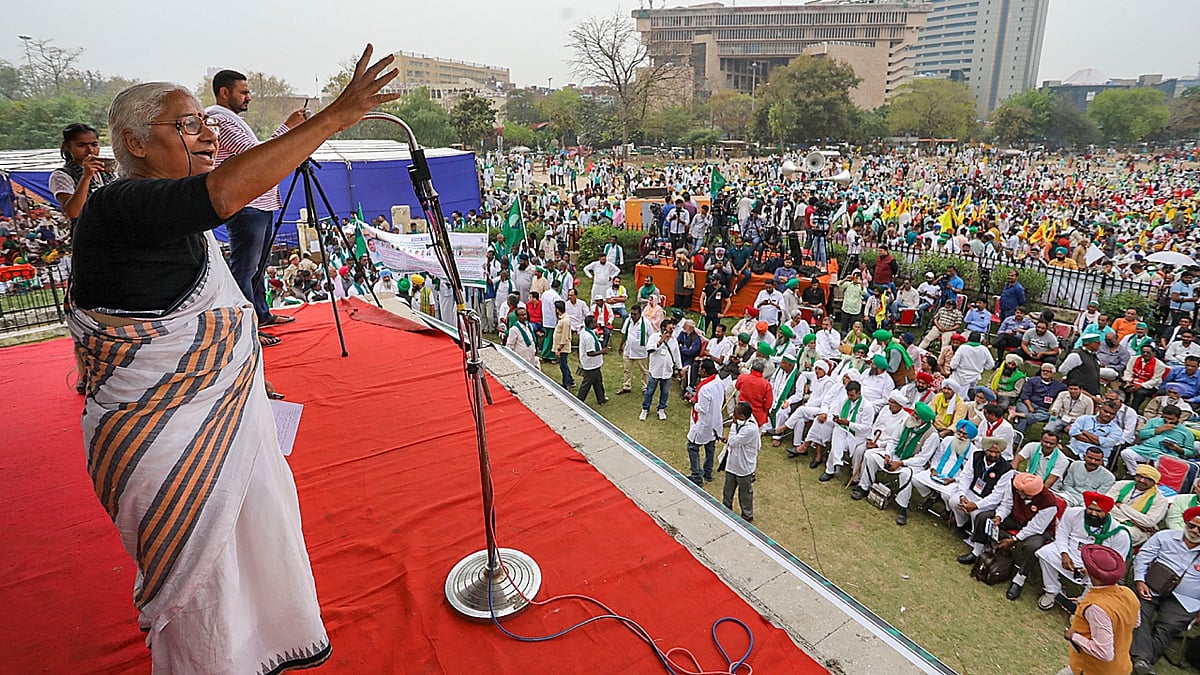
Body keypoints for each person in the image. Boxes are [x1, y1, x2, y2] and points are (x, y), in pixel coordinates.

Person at [68, 46, 396, 673]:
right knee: (204, 585)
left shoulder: (166, 214)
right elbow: (221, 193)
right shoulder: (119, 205)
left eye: (205, 121)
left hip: (220, 418)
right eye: (186, 124)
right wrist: (335, 117)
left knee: (252, 544)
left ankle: (265, 649)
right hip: (164, 435)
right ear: (135, 143)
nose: (207, 133)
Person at [207, 69, 310, 347]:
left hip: (259, 203)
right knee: (244, 269)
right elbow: (257, 156)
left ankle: (262, 315)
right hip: (247, 204)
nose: (249, 97)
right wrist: (288, 127)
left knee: (258, 268)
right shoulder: (218, 119)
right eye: (244, 92)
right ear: (224, 92)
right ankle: (246, 328)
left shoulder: (232, 120)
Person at [1131, 506, 1200, 673]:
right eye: (1192, 525)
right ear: (1185, 523)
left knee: (1168, 625)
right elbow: (1142, 558)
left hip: (1186, 599)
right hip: (1152, 586)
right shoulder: (1164, 537)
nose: (1195, 531)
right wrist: (1140, 580)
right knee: (1140, 613)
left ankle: (1142, 661)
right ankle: (1143, 662)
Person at [853, 402, 940, 526]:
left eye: (916, 414)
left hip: (913, 464)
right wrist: (888, 454)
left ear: (923, 420)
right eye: (914, 412)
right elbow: (894, 440)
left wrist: (901, 463)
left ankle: (902, 507)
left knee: (906, 474)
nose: (912, 414)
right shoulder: (907, 421)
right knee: (870, 455)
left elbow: (922, 459)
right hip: (897, 455)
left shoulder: (932, 435)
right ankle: (864, 487)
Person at [1057, 544, 1139, 675]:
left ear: (1093, 576)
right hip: (1122, 667)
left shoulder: (1096, 608)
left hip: (1094, 670)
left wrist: (1074, 636)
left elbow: (1104, 652)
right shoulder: (1128, 593)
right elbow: (1135, 622)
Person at [50, 123, 115, 222]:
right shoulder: (61, 176)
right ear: (67, 146)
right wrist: (86, 177)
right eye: (81, 145)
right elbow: (73, 212)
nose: (90, 150)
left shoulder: (105, 172)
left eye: (94, 144)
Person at [819, 380, 876, 482]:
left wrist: (849, 424)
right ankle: (837, 463)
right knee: (837, 432)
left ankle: (831, 468)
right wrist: (836, 418)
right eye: (848, 395)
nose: (849, 397)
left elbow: (866, 428)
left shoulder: (867, 407)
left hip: (857, 436)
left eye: (852, 395)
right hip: (843, 431)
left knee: (836, 445)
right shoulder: (844, 400)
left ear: (859, 393)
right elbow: (836, 412)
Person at [1120, 404, 1196, 474]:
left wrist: (1177, 448)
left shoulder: (1186, 432)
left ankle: (1154, 479)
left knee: (1161, 463)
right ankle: (1135, 474)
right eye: (1165, 417)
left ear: (1178, 418)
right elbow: (1142, 434)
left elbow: (1189, 451)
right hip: (1145, 449)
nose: (1168, 421)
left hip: (1166, 454)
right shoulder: (1154, 421)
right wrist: (1158, 430)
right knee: (1126, 453)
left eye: (1171, 419)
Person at [1108, 464, 1169, 547]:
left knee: (1121, 534)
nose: (1142, 480)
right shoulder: (1121, 485)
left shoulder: (1160, 500)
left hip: (1137, 529)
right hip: (1115, 519)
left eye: (1148, 479)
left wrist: (1122, 506)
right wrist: (1131, 520)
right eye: (1139, 476)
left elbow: (1149, 522)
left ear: (1154, 482)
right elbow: (1106, 505)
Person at [688, 361, 725, 487]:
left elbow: (702, 409)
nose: (698, 370)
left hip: (704, 423)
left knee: (692, 447)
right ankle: (708, 473)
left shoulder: (704, 388)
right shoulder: (719, 381)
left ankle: (696, 475)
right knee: (710, 446)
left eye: (700, 368)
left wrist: (693, 402)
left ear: (704, 371)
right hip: (715, 421)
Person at [722, 401, 761, 522]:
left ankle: (747, 515)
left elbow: (733, 442)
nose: (733, 415)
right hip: (732, 463)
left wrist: (733, 425)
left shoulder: (750, 429)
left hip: (744, 467)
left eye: (735, 413)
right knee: (727, 490)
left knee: (744, 494)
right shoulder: (743, 422)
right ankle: (725, 510)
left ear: (743, 416)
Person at [642, 318, 681, 420]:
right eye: (670, 329)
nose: (672, 331)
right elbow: (649, 349)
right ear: (663, 329)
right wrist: (660, 342)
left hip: (667, 371)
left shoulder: (674, 340)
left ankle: (661, 409)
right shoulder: (654, 337)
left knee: (665, 392)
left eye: (672, 329)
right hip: (655, 370)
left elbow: (676, 355)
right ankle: (645, 409)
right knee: (650, 391)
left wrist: (679, 368)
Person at [1013, 363, 1067, 433]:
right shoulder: (1032, 380)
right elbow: (1025, 396)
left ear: (1053, 374)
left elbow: (1071, 388)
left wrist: (1065, 378)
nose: (1045, 372)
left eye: (1048, 371)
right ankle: (1017, 438)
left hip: (1043, 409)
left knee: (1051, 416)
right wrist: (1030, 407)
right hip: (1026, 404)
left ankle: (1021, 415)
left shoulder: (1059, 385)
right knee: (1023, 419)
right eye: (1043, 371)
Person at [1123, 343, 1169, 411]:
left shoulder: (1160, 365)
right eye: (1143, 352)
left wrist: (1140, 386)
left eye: (1148, 353)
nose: (1145, 354)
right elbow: (1128, 371)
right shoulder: (1133, 359)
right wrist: (1128, 382)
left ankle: (1134, 409)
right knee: (1123, 386)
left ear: (1153, 353)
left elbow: (1155, 380)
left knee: (1140, 393)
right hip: (1134, 380)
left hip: (1150, 385)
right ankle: (1124, 404)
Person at [948, 331, 995, 395]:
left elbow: (953, 365)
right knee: (969, 395)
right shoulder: (984, 349)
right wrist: (981, 367)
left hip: (959, 377)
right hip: (974, 378)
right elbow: (991, 365)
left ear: (968, 339)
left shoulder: (962, 348)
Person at [577, 315, 609, 404]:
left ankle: (601, 399)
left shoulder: (586, 331)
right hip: (591, 364)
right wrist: (602, 351)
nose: (596, 323)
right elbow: (590, 353)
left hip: (595, 364)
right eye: (594, 322)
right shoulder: (588, 337)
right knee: (587, 383)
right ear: (590, 324)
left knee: (598, 381)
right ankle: (579, 400)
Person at [551, 300, 576, 390]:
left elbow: (565, 336)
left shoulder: (565, 321)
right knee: (564, 364)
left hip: (562, 347)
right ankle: (571, 380)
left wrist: (559, 349)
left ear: (558, 309)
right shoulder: (562, 319)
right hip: (560, 346)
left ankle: (566, 384)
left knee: (563, 366)